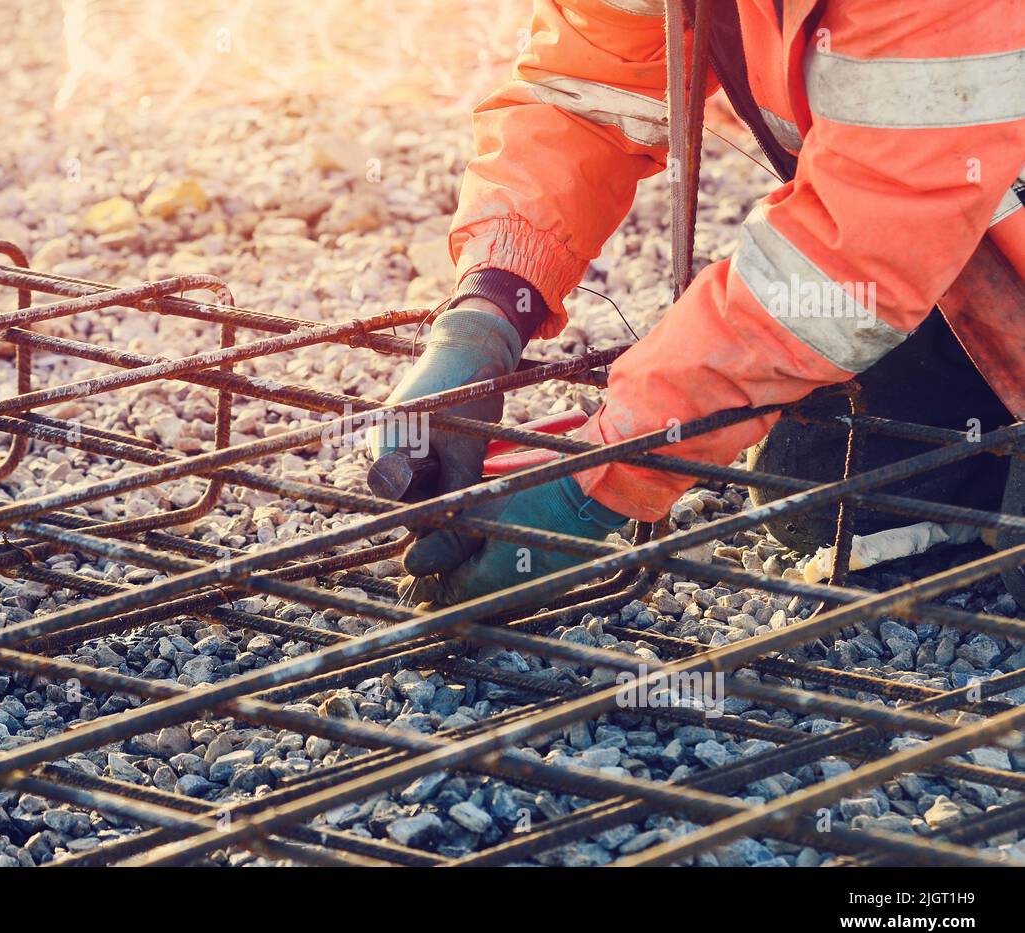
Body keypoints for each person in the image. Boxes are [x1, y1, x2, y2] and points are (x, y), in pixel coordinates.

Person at [374, 0, 1025, 604]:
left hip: (932, 234)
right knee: (821, 489)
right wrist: (489, 307)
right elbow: (586, 86)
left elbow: (856, 251)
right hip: (969, 259)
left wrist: (603, 473)